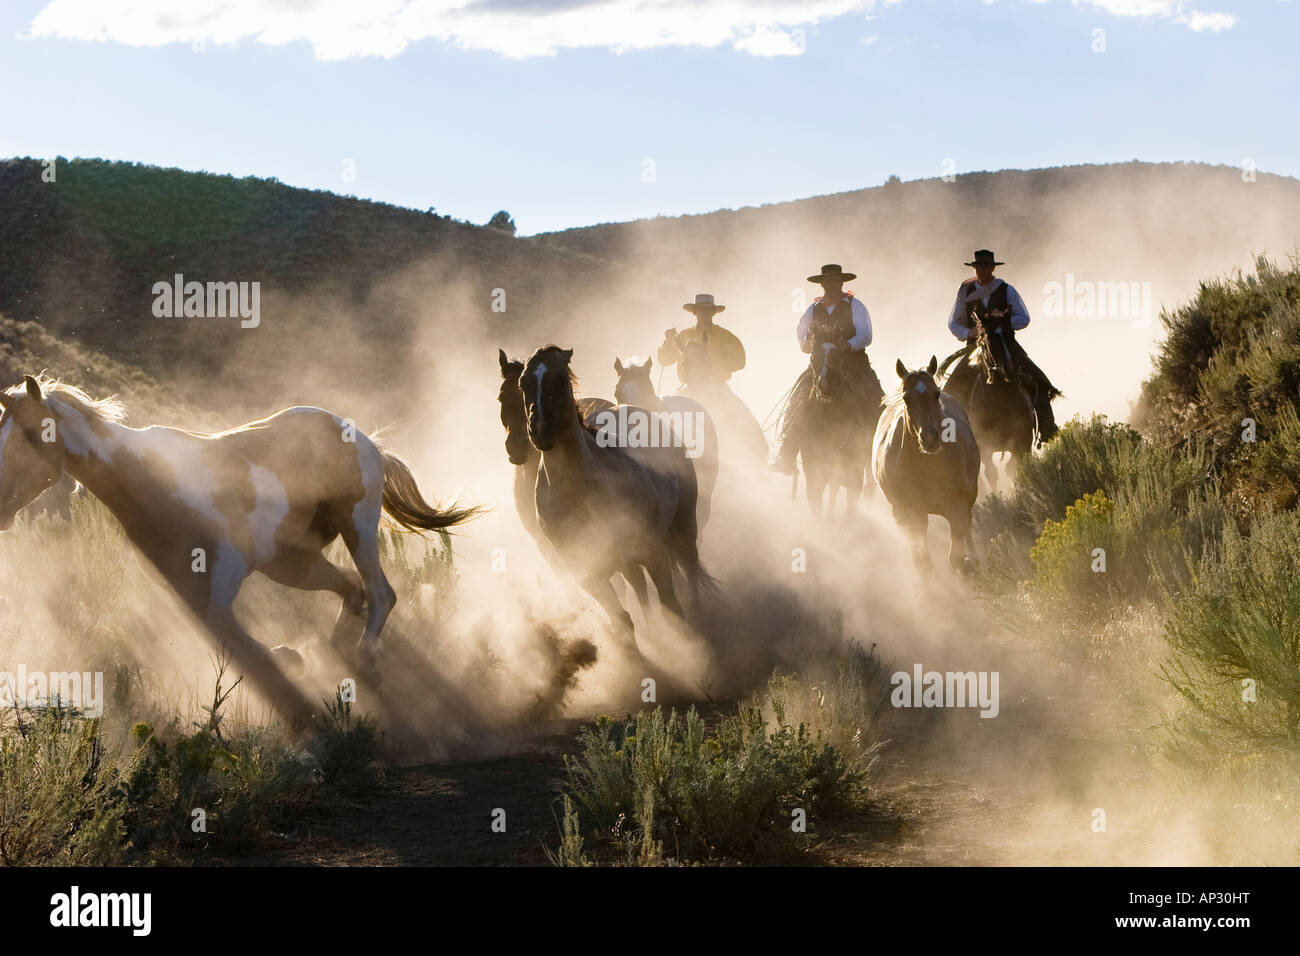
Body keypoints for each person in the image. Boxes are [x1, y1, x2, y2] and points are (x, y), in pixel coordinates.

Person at [770, 264, 879, 474]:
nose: (832, 284)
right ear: (822, 284)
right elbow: (801, 332)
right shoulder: (813, 308)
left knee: (875, 397)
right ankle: (787, 454)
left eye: (835, 280)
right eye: (828, 281)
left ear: (842, 282)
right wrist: (807, 343)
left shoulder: (855, 305)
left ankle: (880, 447)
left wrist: (848, 345)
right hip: (820, 364)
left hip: (853, 363)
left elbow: (866, 335)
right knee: (798, 400)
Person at [941, 249, 1059, 444]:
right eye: (978, 267)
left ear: (993, 268)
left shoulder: (1006, 290)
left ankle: (1047, 426)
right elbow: (954, 322)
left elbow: (1024, 318)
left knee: (1038, 380)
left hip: (1005, 343)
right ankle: (949, 437)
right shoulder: (965, 292)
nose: (982, 271)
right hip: (975, 349)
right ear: (974, 269)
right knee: (951, 388)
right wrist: (967, 333)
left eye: (985, 267)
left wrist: (1003, 323)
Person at [658, 294, 746, 384]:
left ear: (713, 312)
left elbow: (740, 361)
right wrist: (668, 342)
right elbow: (665, 360)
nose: (704, 313)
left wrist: (711, 367)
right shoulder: (684, 335)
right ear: (695, 312)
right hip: (687, 386)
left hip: (717, 386)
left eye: (708, 310)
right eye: (701, 309)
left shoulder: (725, 336)